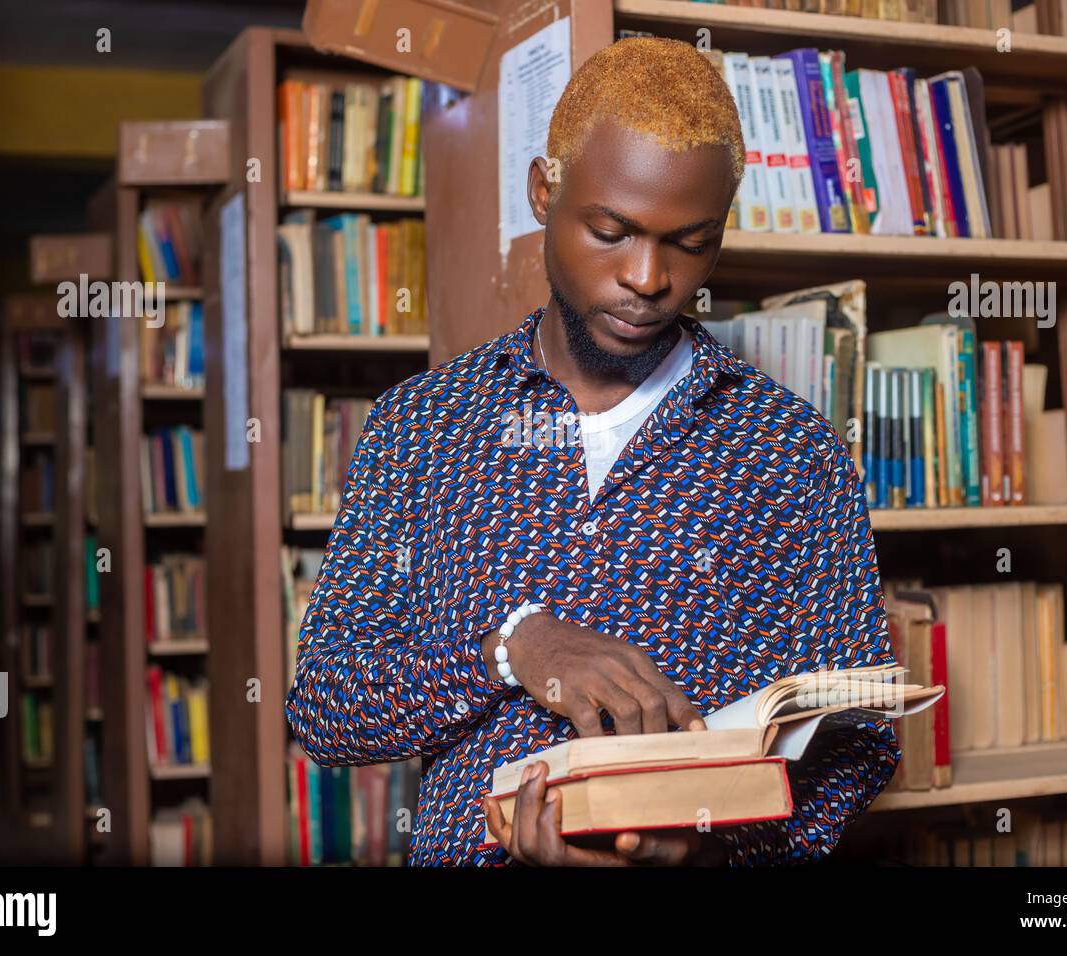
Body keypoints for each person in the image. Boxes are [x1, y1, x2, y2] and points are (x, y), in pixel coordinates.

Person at [285, 36, 899, 866]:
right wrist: (511, 649)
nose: (648, 277)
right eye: (611, 230)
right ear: (545, 193)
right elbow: (325, 708)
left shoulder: (792, 452)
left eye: (690, 242)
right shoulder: (420, 428)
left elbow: (861, 744)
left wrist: (706, 852)